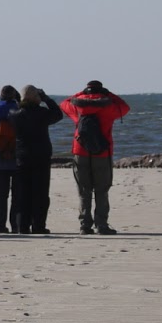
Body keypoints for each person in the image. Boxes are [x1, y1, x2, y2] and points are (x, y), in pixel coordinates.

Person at [61, 81, 132, 235]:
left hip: (80, 150)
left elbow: (64, 103)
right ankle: (101, 224)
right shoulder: (109, 105)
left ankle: (84, 225)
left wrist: (82, 93)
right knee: (102, 189)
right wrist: (108, 94)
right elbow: (125, 107)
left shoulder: (78, 106)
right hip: (103, 152)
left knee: (83, 190)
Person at [9, 85, 64, 234]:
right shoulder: (42, 113)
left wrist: (19, 99)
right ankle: (38, 225)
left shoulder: (14, 114)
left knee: (22, 195)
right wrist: (46, 98)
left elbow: (15, 109)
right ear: (36, 98)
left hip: (22, 157)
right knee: (40, 194)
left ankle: (22, 226)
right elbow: (58, 114)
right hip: (41, 156)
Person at [0, 85, 21, 233]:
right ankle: (16, 224)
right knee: (16, 192)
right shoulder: (18, 108)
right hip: (15, 152)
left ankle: (0, 225)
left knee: (2, 192)